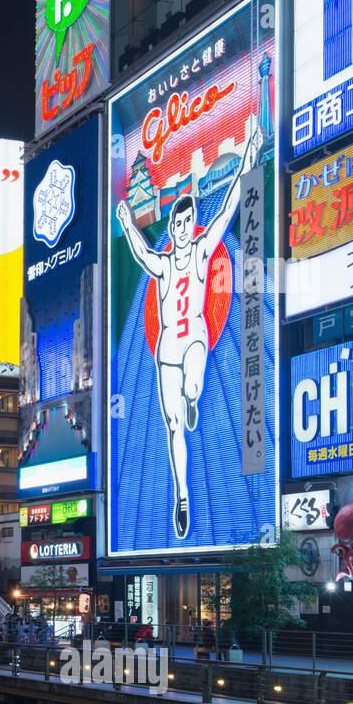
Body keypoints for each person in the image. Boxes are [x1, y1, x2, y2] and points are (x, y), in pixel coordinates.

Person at [115, 125, 263, 539]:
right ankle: (182, 496)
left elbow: (227, 211)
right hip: (166, 350)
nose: (181, 227)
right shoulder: (163, 264)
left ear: (191, 224)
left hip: (195, 339)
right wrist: (127, 222)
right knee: (172, 426)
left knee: (193, 385)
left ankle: (194, 395)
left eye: (186, 221)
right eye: (177, 223)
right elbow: (143, 253)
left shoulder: (200, 252)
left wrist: (248, 162)